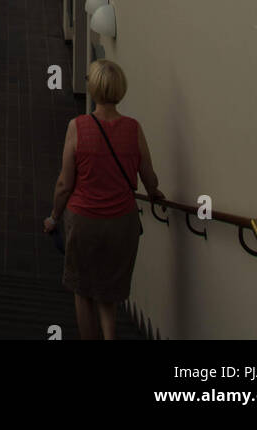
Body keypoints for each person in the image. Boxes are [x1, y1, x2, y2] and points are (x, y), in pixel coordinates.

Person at [43, 59, 165, 341]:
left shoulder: (78, 127)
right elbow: (150, 178)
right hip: (122, 223)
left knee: (83, 291)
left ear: (93, 89)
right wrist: (155, 193)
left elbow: (64, 184)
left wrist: (53, 217)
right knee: (109, 295)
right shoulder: (133, 129)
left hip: (84, 221)